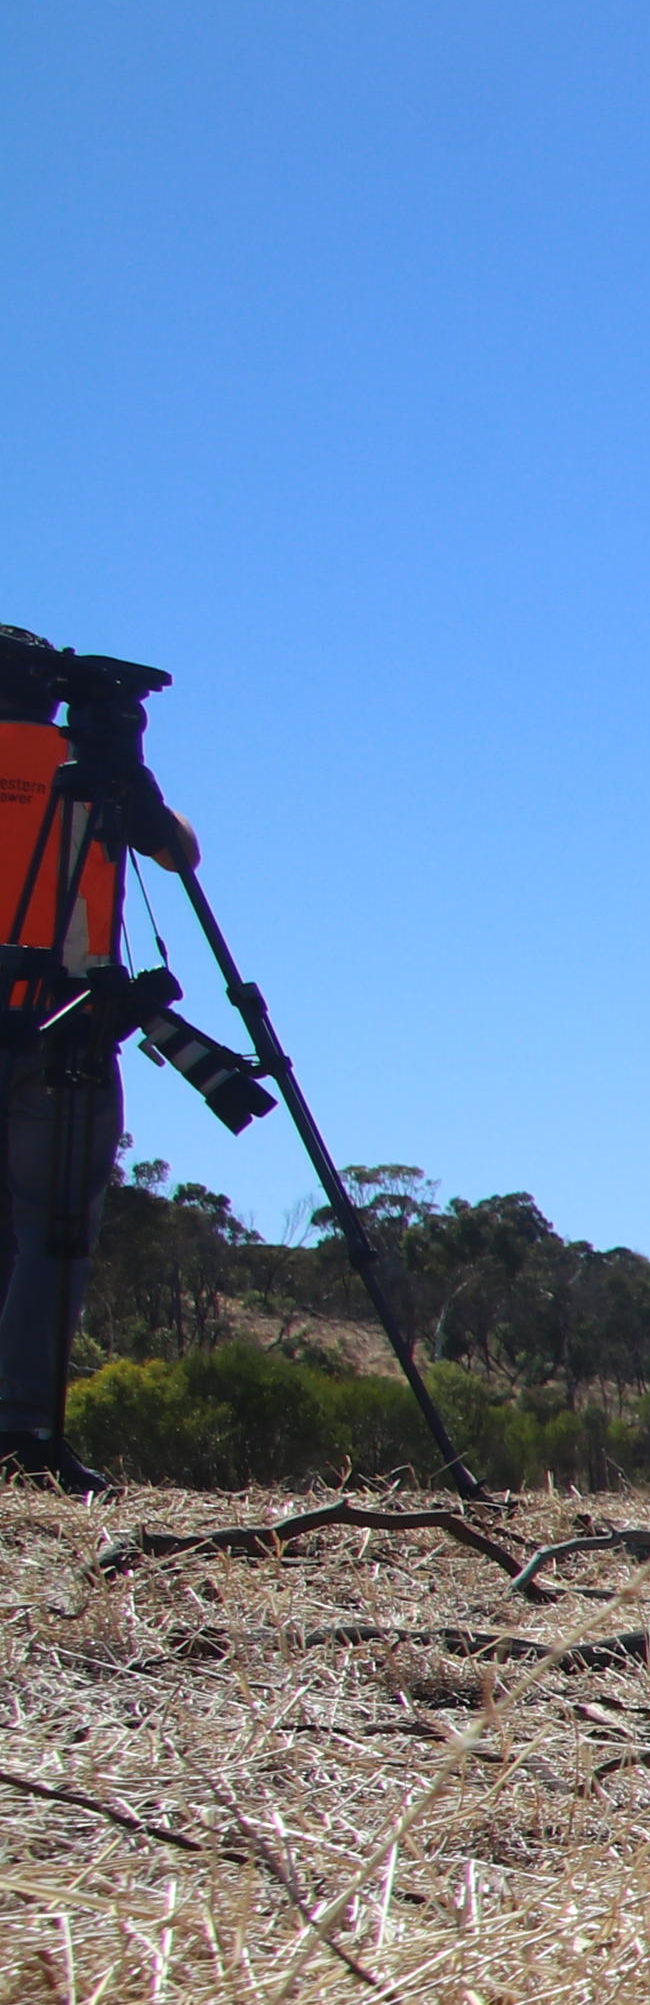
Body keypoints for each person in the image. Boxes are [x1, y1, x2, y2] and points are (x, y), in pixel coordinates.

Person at [0, 628, 210, 1493]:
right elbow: (179, 851)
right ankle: (23, 1429)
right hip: (64, 1031)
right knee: (51, 1231)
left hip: (42, 1019)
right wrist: (126, 761)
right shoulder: (86, 771)